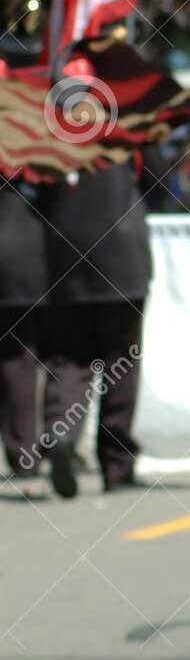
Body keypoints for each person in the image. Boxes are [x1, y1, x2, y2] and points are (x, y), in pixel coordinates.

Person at [36, 148, 150, 499]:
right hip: (122, 250)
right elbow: (159, 178)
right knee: (121, 359)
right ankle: (116, 463)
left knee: (70, 356)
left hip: (66, 250)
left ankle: (61, 431)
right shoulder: (130, 113)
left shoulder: (45, 119)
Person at [0, 176, 46, 497]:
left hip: (19, 266)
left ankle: (24, 454)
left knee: (16, 362)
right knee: (19, 362)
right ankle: (24, 455)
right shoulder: (35, 149)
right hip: (25, 264)